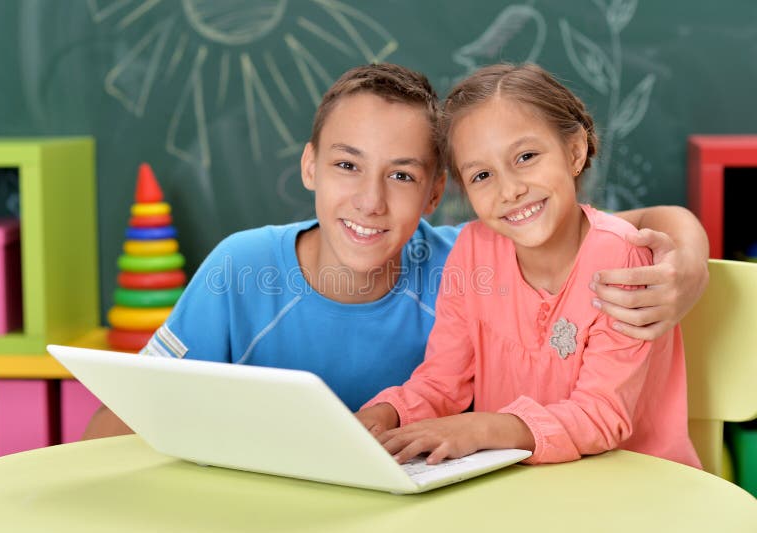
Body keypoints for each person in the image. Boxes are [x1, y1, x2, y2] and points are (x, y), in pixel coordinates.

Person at [84, 63, 709, 439]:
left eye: (403, 176)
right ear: (310, 166)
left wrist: (689, 255)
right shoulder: (238, 270)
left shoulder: (465, 258)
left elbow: (589, 229)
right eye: (347, 166)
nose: (370, 200)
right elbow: (129, 410)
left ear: (437, 192)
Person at [357, 63, 702, 469]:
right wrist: (382, 416)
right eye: (482, 174)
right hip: (522, 489)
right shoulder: (473, 252)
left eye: (526, 156)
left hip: (635, 485)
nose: (510, 189)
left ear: (574, 152)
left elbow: (600, 416)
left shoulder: (622, 260)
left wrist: (481, 429)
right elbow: (441, 382)